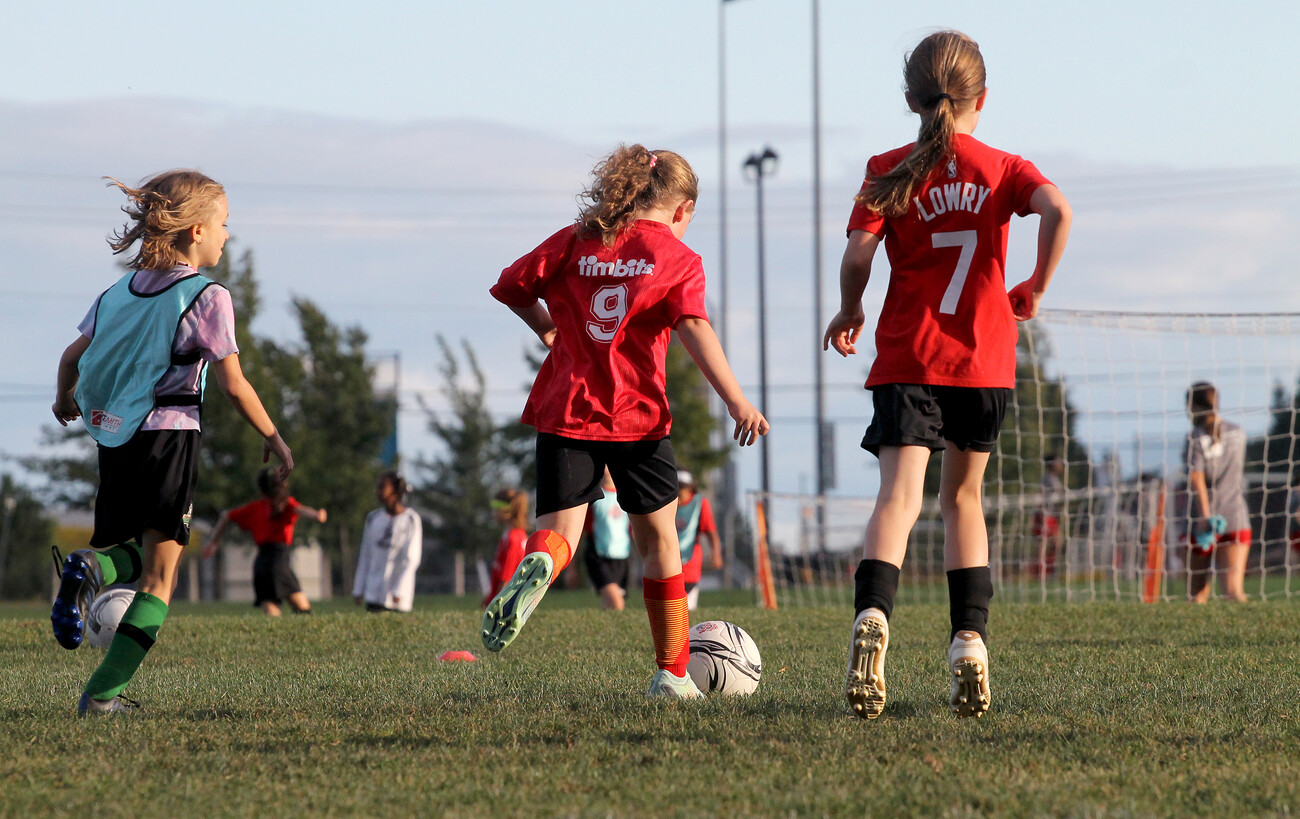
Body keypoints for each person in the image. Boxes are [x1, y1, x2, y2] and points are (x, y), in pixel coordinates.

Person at [823, 30, 1072, 720]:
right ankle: (969, 641)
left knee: (897, 500)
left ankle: (872, 614)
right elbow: (1060, 210)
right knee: (963, 501)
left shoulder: (887, 167)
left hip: (908, 359)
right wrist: (1035, 285)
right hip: (983, 361)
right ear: (980, 100)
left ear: (911, 99)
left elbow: (856, 255)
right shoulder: (1003, 167)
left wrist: (850, 308)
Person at [485, 144, 768, 698]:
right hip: (637, 419)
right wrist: (736, 401)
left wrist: (548, 330)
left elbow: (510, 285)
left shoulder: (577, 238)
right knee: (660, 542)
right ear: (682, 209)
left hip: (566, 410)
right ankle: (672, 672)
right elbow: (694, 329)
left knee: (560, 532)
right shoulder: (677, 259)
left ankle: (539, 561)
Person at [50, 170, 293, 715]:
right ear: (197, 230)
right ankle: (102, 697)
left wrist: (66, 399)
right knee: (162, 578)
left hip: (117, 440)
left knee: (138, 554)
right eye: (225, 225)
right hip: (171, 437)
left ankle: (91, 567)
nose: (229, 235)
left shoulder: (117, 291)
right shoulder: (207, 296)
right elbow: (234, 384)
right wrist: (275, 438)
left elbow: (71, 358)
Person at [200, 467, 327, 616]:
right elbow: (301, 510)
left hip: (261, 563)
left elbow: (226, 516)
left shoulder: (255, 507)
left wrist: (213, 542)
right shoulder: (286, 504)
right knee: (303, 610)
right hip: (279, 561)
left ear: (261, 489)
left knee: (269, 604)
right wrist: (317, 515)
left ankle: (275, 635)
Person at [1183, 382, 1250, 603]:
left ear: (1194, 407)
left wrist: (1204, 517)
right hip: (1235, 516)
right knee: (1234, 592)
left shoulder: (1195, 436)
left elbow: (1196, 477)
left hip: (1204, 520)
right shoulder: (1238, 433)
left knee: (1197, 594)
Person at [353, 471, 423, 612]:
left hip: (398, 597)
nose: (378, 492)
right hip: (374, 593)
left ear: (396, 490)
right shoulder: (373, 518)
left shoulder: (410, 519)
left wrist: (399, 589)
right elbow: (366, 555)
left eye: (382, 487)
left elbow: (411, 558)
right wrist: (358, 588)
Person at [584, 469, 633, 611]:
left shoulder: (627, 495)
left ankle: (599, 628)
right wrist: (571, 567)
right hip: (598, 554)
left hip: (621, 555)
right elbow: (583, 530)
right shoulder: (593, 497)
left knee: (611, 604)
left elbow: (632, 528)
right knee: (617, 603)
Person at [675, 470, 722, 611]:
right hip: (668, 560)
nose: (679, 492)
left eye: (682, 488)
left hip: (690, 561)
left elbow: (710, 531)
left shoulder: (699, 503)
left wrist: (716, 554)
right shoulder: (667, 504)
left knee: (687, 606)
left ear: (690, 488)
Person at [483, 488, 528, 608]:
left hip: (507, 603)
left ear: (505, 510)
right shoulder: (509, 535)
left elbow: (507, 575)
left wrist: (498, 604)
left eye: (495, 508)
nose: (493, 513)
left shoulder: (514, 537)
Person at [1031, 454, 1066, 578]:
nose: (1060, 464)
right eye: (1058, 462)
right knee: (1042, 544)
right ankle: (1040, 574)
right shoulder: (1046, 479)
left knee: (1057, 542)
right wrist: (1040, 514)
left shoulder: (1054, 479)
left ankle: (1050, 569)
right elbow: (1040, 495)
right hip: (1043, 515)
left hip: (1051, 516)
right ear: (1052, 464)